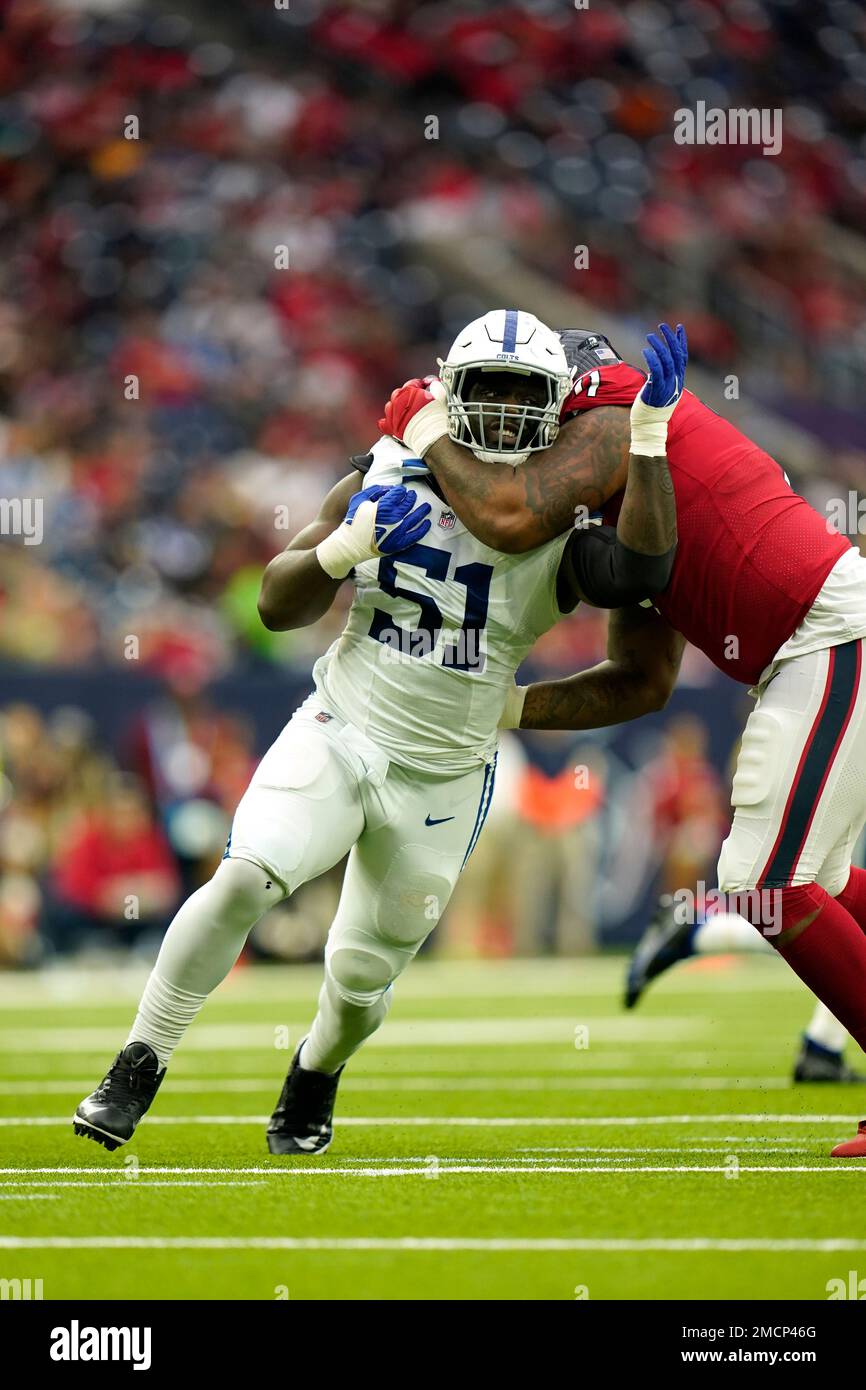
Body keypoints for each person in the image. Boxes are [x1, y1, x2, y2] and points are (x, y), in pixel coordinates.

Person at [72, 310, 683, 1155]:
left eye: (522, 393)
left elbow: (644, 571)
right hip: (341, 727)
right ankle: (139, 1059)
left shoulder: (563, 516)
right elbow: (274, 605)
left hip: (445, 770)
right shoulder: (390, 464)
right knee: (245, 878)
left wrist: (648, 440)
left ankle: (316, 1069)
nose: (505, 410)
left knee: (362, 977)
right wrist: (337, 549)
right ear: (450, 392)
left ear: (557, 406)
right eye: (489, 390)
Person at [382, 322, 866, 1156]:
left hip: (827, 629)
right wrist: (500, 709)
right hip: (806, 645)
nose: (506, 418)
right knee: (812, 879)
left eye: (523, 395)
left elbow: (504, 513)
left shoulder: (614, 414)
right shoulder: (628, 497)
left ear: (567, 386)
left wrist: (424, 431)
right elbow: (641, 682)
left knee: (765, 882)